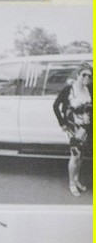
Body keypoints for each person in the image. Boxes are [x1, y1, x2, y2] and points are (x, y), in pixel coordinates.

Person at [52, 61, 92, 198]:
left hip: (86, 128)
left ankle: (77, 180)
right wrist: (62, 123)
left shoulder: (90, 89)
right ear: (78, 75)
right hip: (72, 128)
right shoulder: (68, 90)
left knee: (81, 156)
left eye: (90, 76)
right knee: (75, 155)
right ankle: (71, 183)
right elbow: (55, 106)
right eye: (84, 75)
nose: (87, 78)